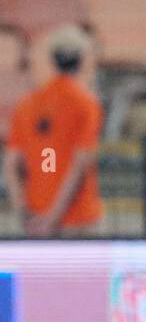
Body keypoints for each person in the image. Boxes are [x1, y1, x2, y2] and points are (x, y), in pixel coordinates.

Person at [4, 35, 104, 238]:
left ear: (51, 62)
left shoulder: (26, 105)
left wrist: (24, 214)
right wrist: (53, 217)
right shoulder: (85, 104)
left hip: (35, 218)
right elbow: (80, 163)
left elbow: (11, 165)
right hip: (78, 219)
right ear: (84, 62)